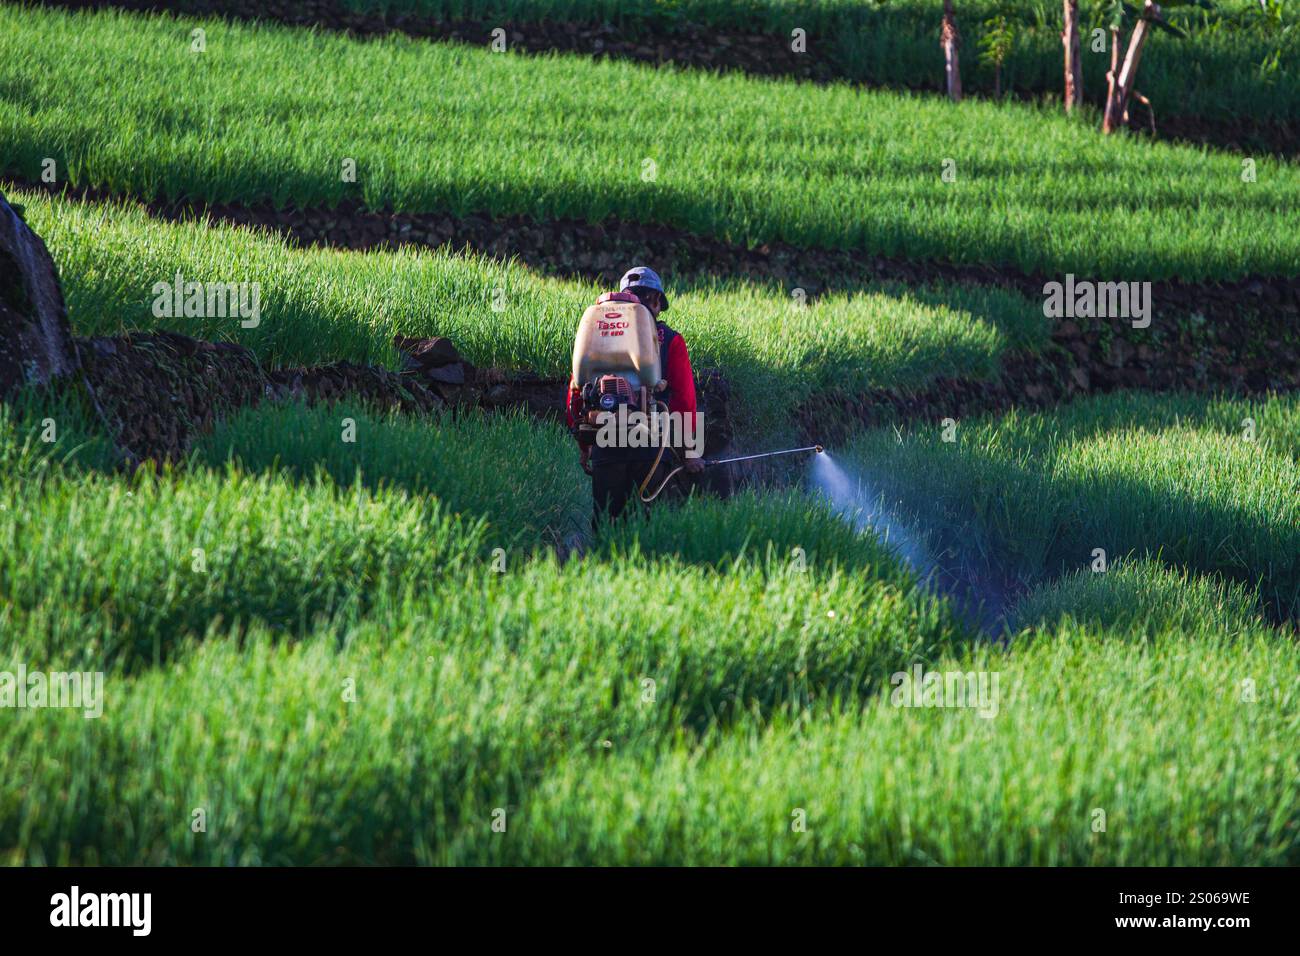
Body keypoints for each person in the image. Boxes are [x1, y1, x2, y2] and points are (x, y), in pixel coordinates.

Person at [566, 266, 703, 523]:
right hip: (649, 446)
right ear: (654, 300)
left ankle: (602, 561)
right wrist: (689, 451)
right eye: (659, 303)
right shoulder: (671, 340)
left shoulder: (597, 332)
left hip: (604, 442)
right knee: (648, 524)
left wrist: (584, 447)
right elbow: (684, 400)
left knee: (607, 522)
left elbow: (576, 390)